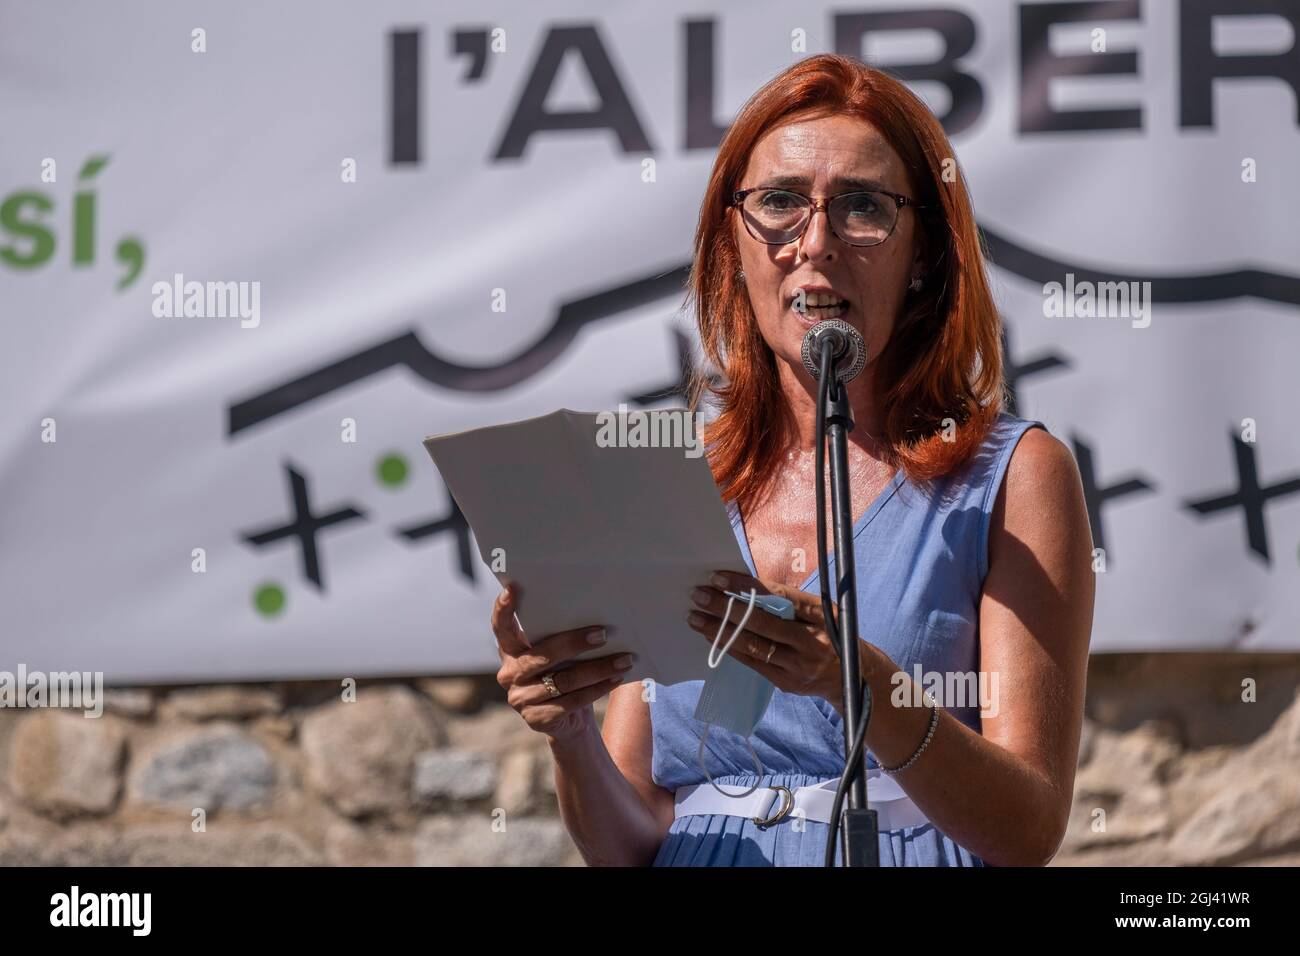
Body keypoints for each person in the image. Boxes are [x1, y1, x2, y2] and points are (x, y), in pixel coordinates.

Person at [490, 54, 1094, 866]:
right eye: (778, 203)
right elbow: (629, 836)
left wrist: (861, 682)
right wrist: (567, 733)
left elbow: (1027, 831)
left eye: (862, 208)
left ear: (923, 255)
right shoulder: (676, 475)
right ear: (732, 243)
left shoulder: (1013, 473)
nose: (815, 243)